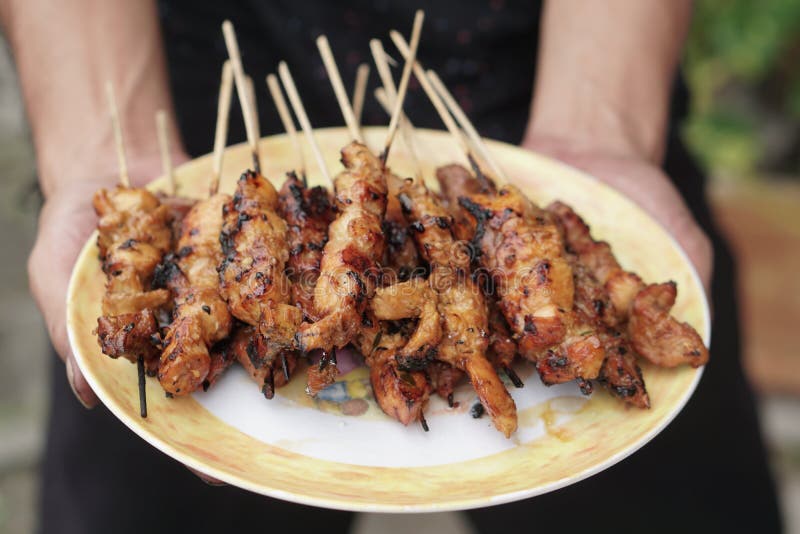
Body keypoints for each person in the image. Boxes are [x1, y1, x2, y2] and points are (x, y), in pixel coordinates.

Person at [0, 0, 782, 531]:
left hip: (545, 111)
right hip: (189, 131)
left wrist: (601, 129)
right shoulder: (221, 232)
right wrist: (104, 158)